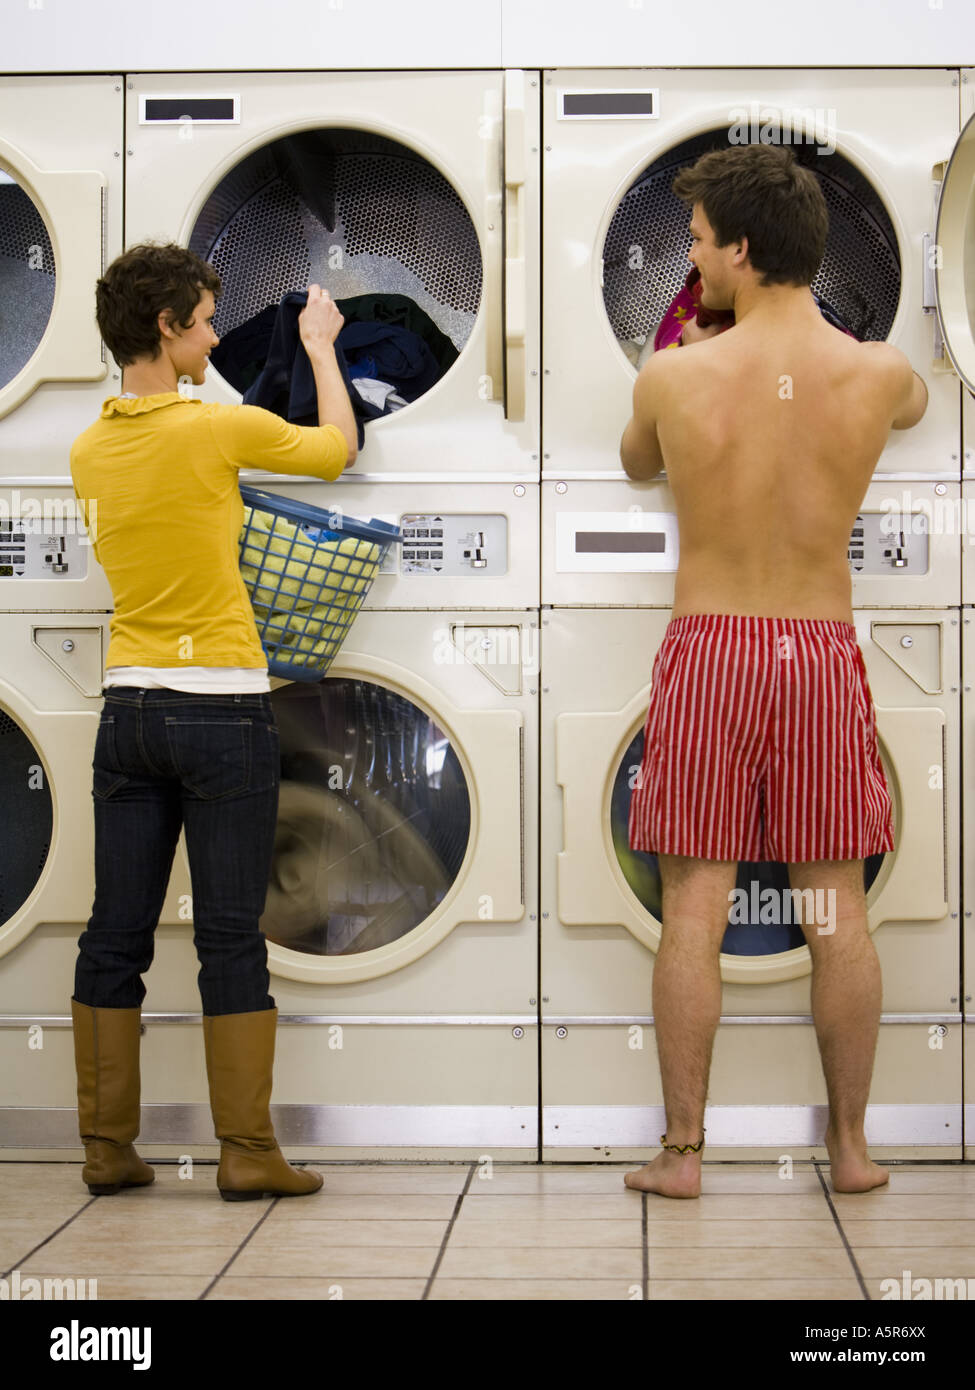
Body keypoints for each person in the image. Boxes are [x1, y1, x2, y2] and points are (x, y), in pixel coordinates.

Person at [619, 145, 927, 1198]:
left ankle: (683, 1152)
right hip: (820, 655)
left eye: (701, 242)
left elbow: (635, 459)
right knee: (834, 904)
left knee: (694, 906)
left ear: (742, 250)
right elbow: (922, 402)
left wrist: (702, 338)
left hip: (713, 652)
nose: (692, 259)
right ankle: (850, 1149)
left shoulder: (673, 373)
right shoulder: (877, 372)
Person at [69, 243, 356, 1200]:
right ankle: (245, 1153)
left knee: (117, 929)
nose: (216, 334)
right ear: (164, 327)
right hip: (222, 715)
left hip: (129, 713)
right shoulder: (218, 430)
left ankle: (107, 1149)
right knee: (230, 935)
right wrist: (319, 346)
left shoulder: (88, 448)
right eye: (201, 320)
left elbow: (163, 504)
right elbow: (333, 450)